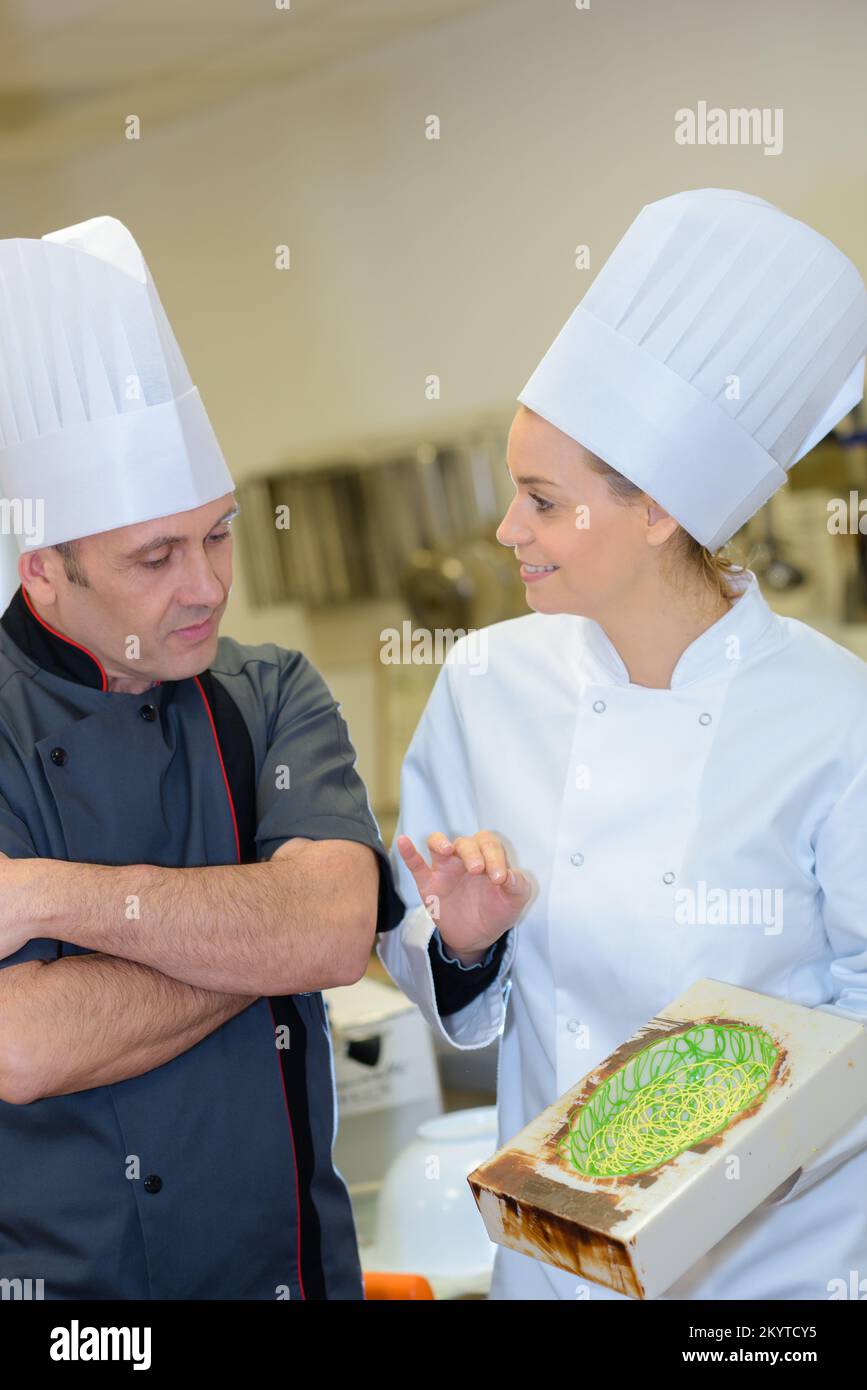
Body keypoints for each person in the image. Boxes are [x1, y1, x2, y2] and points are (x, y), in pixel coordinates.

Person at [378, 188, 867, 1300]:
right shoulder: (487, 684)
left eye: (543, 502)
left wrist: (699, 1168)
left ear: (656, 511)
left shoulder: (835, 716)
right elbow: (429, 961)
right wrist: (463, 944)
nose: (507, 529)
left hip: (773, 1278)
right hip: (552, 1272)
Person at [0, 214, 409, 1300]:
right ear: (44, 572)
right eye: (156, 557)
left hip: (294, 1276)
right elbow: (23, 1044)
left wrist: (52, 897)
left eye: (220, 532)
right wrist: (264, 941)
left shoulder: (268, 691)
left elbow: (334, 929)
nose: (209, 586)